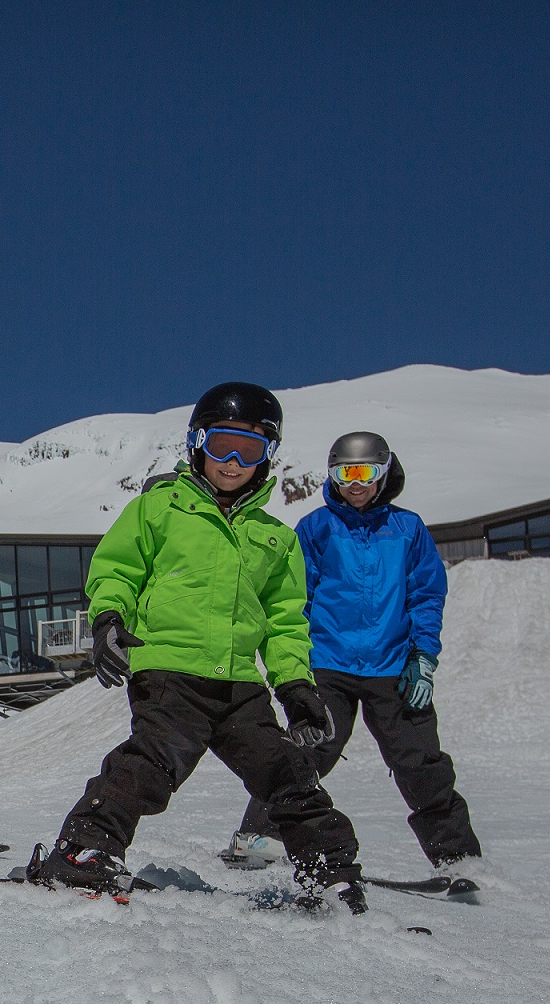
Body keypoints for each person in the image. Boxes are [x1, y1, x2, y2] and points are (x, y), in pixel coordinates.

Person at [24, 382, 368, 912]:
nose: (232, 462)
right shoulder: (158, 509)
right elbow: (118, 569)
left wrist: (295, 684)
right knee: (151, 763)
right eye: (221, 445)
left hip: (239, 685)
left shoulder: (276, 537)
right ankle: (85, 850)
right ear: (197, 444)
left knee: (289, 774)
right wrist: (109, 619)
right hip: (169, 671)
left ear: (268, 457)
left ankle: (331, 872)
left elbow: (284, 621)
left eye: (249, 450)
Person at [224, 431, 481, 870]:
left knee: (420, 760)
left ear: (384, 472)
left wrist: (423, 656)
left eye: (364, 472)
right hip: (328, 664)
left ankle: (457, 857)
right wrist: (296, 663)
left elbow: (426, 595)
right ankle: (258, 838)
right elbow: (293, 597)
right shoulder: (315, 528)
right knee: (307, 752)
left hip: (393, 665)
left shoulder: (408, 529)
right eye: (345, 473)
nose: (355, 483)